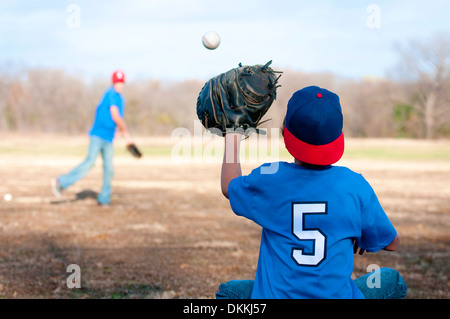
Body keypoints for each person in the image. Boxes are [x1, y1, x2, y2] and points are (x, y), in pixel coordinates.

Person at [216, 86, 407, 299]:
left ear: (285, 133)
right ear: (338, 138)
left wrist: (232, 133)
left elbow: (229, 186)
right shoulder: (354, 185)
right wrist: (359, 236)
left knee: (229, 292)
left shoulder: (272, 177)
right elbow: (392, 242)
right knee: (391, 280)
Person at [51, 70, 133, 206]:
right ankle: (61, 182)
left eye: (121, 82)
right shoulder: (110, 94)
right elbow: (116, 116)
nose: (119, 85)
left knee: (109, 169)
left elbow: (116, 120)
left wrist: (119, 133)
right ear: (113, 82)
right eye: (117, 82)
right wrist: (127, 135)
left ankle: (104, 199)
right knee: (90, 162)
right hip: (97, 135)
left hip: (109, 138)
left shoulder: (120, 99)